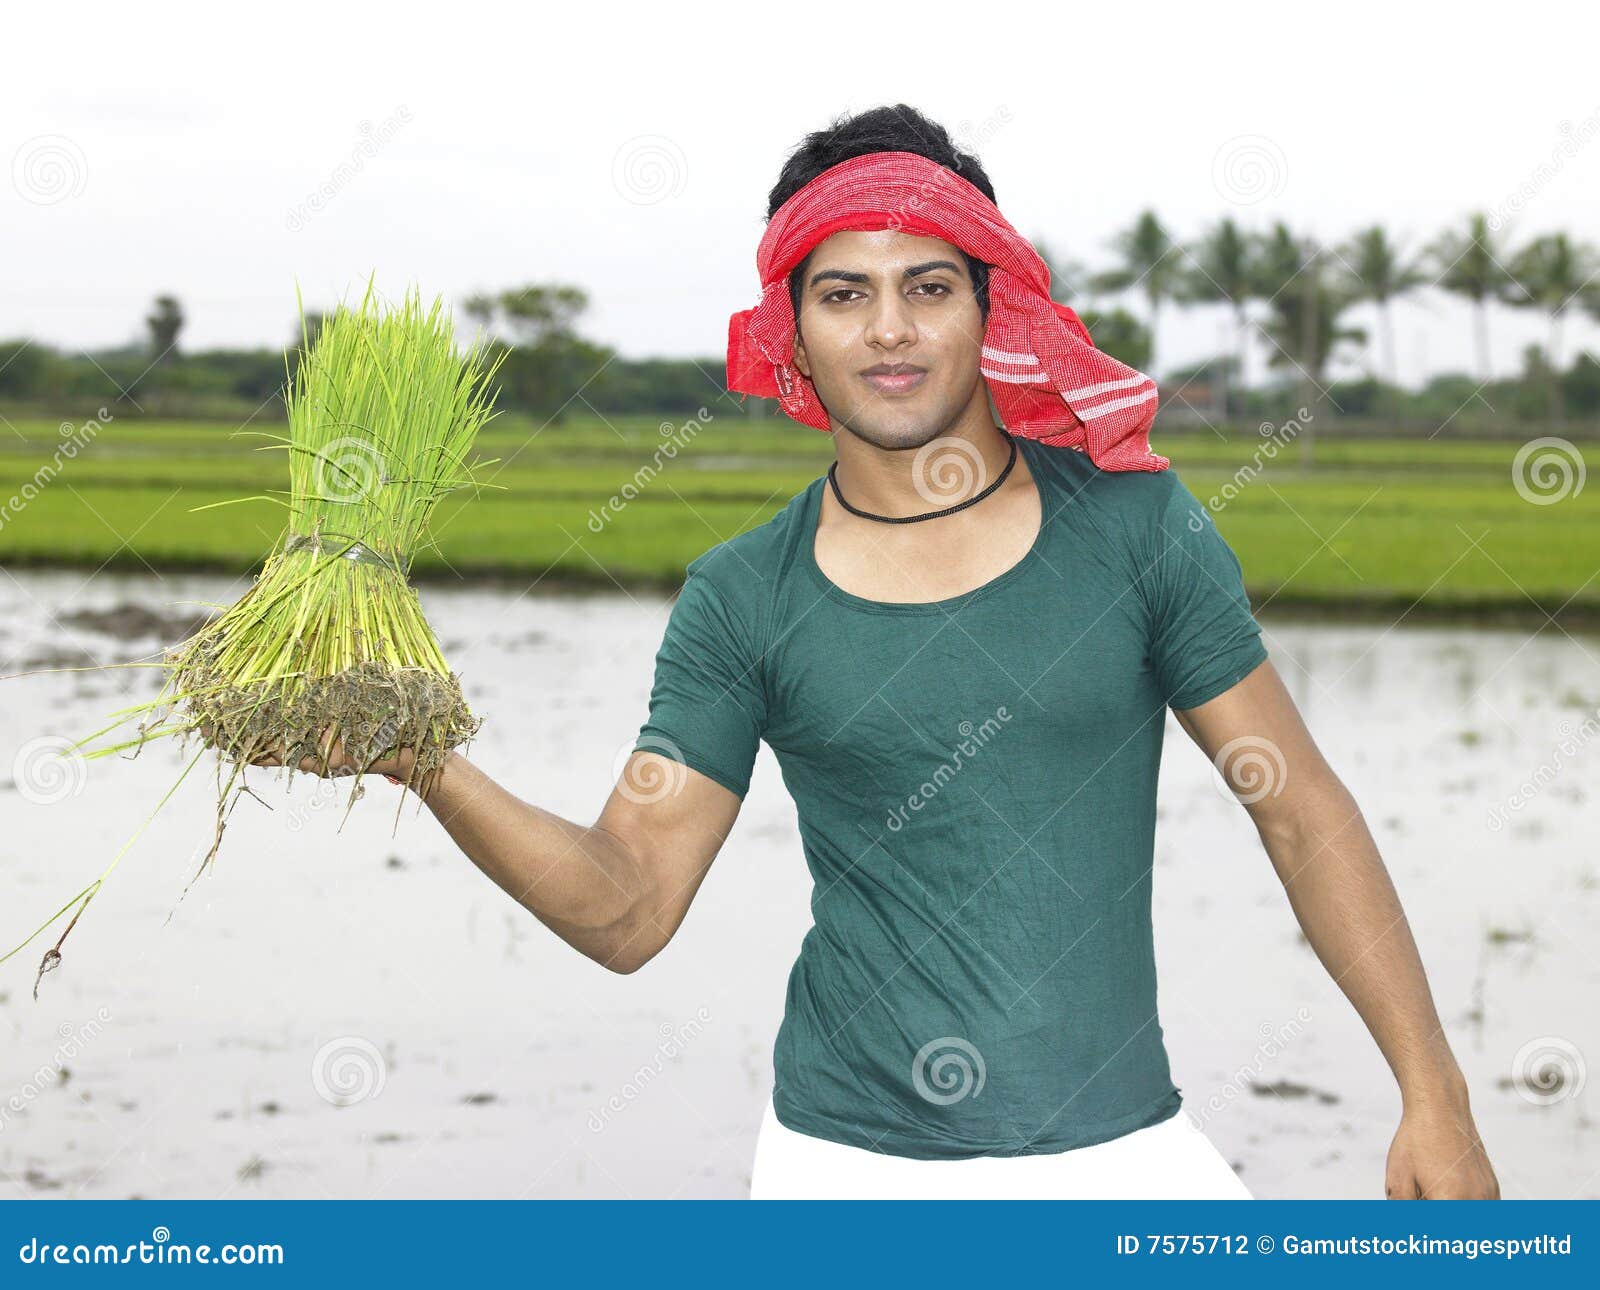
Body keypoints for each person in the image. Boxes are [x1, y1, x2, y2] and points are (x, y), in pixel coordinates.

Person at [264, 104, 1499, 1201]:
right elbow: (627, 906)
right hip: (843, 1175)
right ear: (792, 334)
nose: (889, 330)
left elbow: (1299, 811)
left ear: (988, 305)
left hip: (1123, 1157)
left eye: (928, 286)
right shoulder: (744, 595)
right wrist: (419, 759)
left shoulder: (1135, 526)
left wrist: (1432, 1091)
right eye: (843, 293)